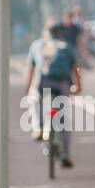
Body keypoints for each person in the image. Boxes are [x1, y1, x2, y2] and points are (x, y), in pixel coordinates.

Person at [25, 20, 82, 167]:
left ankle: (38, 127)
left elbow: (31, 70)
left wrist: (28, 88)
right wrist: (77, 86)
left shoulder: (37, 45)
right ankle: (65, 154)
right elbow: (75, 68)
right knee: (64, 120)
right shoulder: (67, 46)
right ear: (59, 33)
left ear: (46, 33)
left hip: (42, 81)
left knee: (34, 97)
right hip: (61, 83)